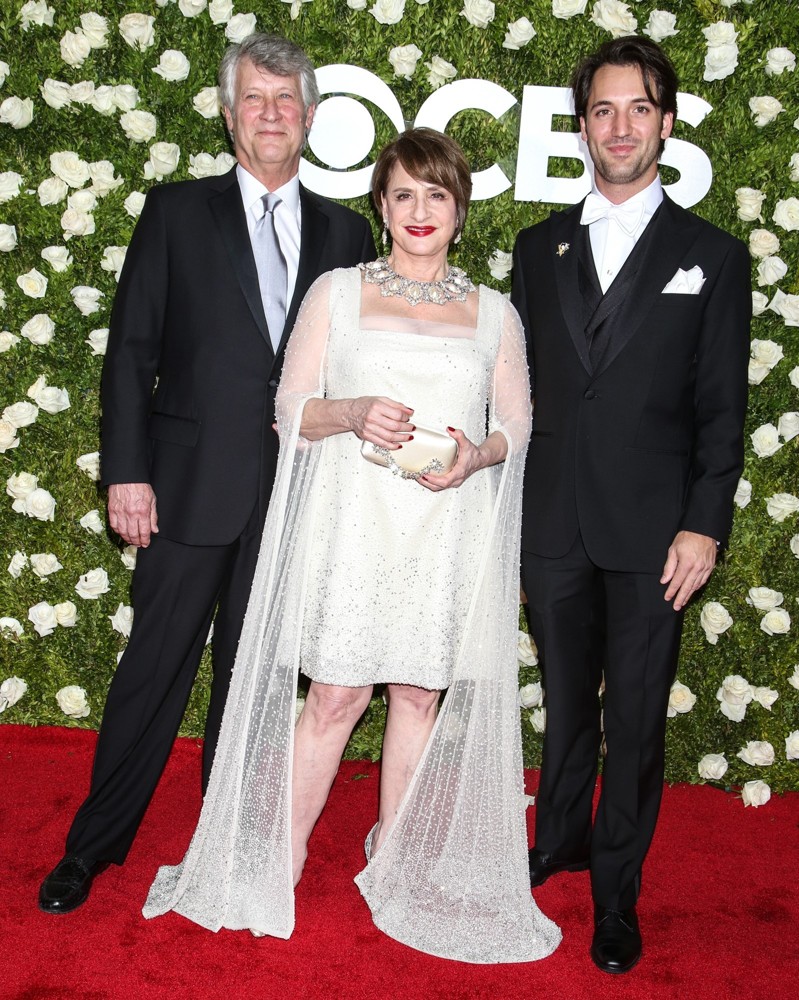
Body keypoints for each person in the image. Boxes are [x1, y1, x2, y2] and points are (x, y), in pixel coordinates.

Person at [142, 127, 561, 964]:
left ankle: (394, 852)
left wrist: (477, 455)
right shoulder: (335, 291)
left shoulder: (494, 313)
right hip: (353, 526)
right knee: (334, 696)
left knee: (417, 695)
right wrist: (353, 409)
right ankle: (280, 855)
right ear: (380, 205)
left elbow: (517, 420)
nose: (418, 211)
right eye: (402, 194)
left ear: (459, 212)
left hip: (444, 527)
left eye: (435, 195)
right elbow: (290, 406)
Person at [38, 33, 375, 916]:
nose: (271, 113)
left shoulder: (347, 231)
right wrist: (126, 472)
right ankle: (93, 845)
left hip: (294, 495)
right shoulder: (177, 211)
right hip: (185, 487)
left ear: (308, 117)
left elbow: (353, 373)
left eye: (286, 99)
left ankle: (224, 837)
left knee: (253, 679)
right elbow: (131, 352)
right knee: (153, 670)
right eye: (254, 99)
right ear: (230, 117)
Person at [511, 37, 750, 974]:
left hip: (657, 532)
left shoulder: (711, 256)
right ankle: (558, 840)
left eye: (638, 109)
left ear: (666, 123)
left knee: (636, 718)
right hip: (553, 523)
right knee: (566, 704)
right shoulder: (539, 248)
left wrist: (705, 524)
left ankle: (616, 894)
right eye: (603, 110)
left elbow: (722, 409)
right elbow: (517, 386)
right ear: (581, 127)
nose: (620, 126)